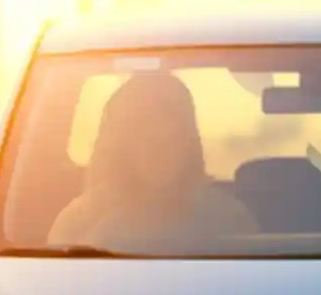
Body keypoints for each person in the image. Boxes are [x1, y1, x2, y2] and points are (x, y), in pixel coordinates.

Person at [48, 71, 258, 251]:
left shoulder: (227, 218)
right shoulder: (80, 221)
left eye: (171, 139)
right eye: (148, 140)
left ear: (188, 145)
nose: (160, 152)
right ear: (123, 146)